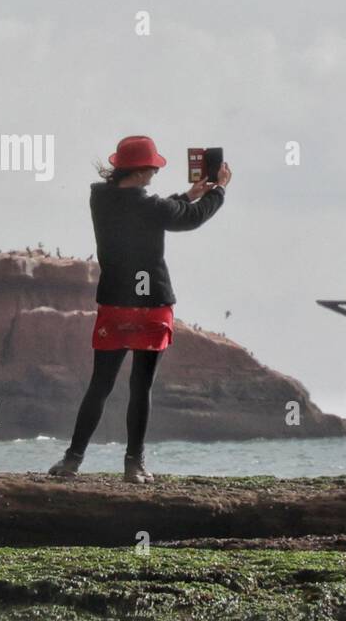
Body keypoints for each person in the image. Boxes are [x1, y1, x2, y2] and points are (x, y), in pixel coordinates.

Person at [48, 135, 229, 483]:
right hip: (151, 305)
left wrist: (188, 195)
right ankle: (135, 464)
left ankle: (72, 459)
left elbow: (158, 211)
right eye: (152, 170)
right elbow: (188, 218)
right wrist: (217, 191)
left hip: (115, 303)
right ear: (143, 170)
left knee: (99, 385)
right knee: (140, 387)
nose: (154, 176)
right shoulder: (152, 207)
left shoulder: (100, 200)